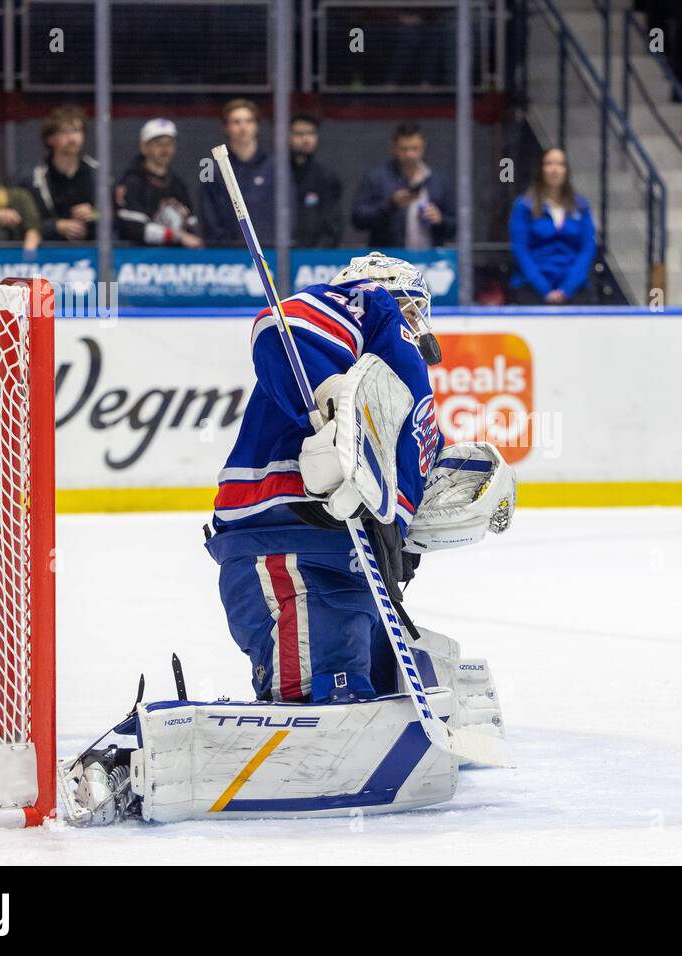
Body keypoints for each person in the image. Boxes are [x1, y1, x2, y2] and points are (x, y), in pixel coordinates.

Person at [205, 252, 512, 703]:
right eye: (412, 306)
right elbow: (282, 329)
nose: (416, 318)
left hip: (350, 561)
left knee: (376, 685)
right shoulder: (370, 304)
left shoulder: (409, 394)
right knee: (324, 692)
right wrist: (330, 395)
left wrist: (412, 523)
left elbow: (389, 482)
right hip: (288, 542)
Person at [509, 148, 597, 305]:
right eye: (549, 163)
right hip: (532, 287)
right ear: (540, 169)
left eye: (560, 164)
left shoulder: (581, 206)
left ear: (566, 170)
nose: (554, 169)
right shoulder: (524, 206)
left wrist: (567, 289)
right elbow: (520, 250)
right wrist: (544, 289)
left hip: (574, 288)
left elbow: (587, 249)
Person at [351, 122, 454, 249]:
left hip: (430, 260)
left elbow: (454, 227)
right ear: (393, 148)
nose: (410, 155)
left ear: (423, 147)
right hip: (389, 260)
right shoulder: (377, 178)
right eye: (404, 149)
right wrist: (391, 205)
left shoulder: (438, 181)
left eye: (415, 149)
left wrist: (440, 220)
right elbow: (358, 219)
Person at [114, 118, 202, 247]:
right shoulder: (130, 183)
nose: (165, 149)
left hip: (178, 263)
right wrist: (177, 236)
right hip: (139, 261)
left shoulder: (178, 184)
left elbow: (192, 226)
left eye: (169, 143)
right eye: (158, 143)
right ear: (144, 147)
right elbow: (133, 228)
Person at [200, 99, 274, 245]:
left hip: (268, 251)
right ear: (226, 127)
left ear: (257, 126)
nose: (243, 127)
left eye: (248, 121)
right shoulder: (208, 166)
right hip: (226, 253)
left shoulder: (275, 166)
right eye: (236, 122)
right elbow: (206, 213)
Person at [29, 105, 99, 242]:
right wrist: (55, 226)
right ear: (50, 138)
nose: (72, 138)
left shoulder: (99, 173)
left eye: (77, 131)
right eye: (64, 132)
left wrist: (94, 214)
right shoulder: (35, 179)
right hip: (51, 257)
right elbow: (27, 222)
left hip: (94, 253)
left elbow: (114, 215)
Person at [288, 113, 343, 248]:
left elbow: (333, 225)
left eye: (311, 133)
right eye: (299, 134)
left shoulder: (326, 177)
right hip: (274, 254)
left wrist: (317, 255)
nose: (306, 139)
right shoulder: (275, 173)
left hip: (313, 257)